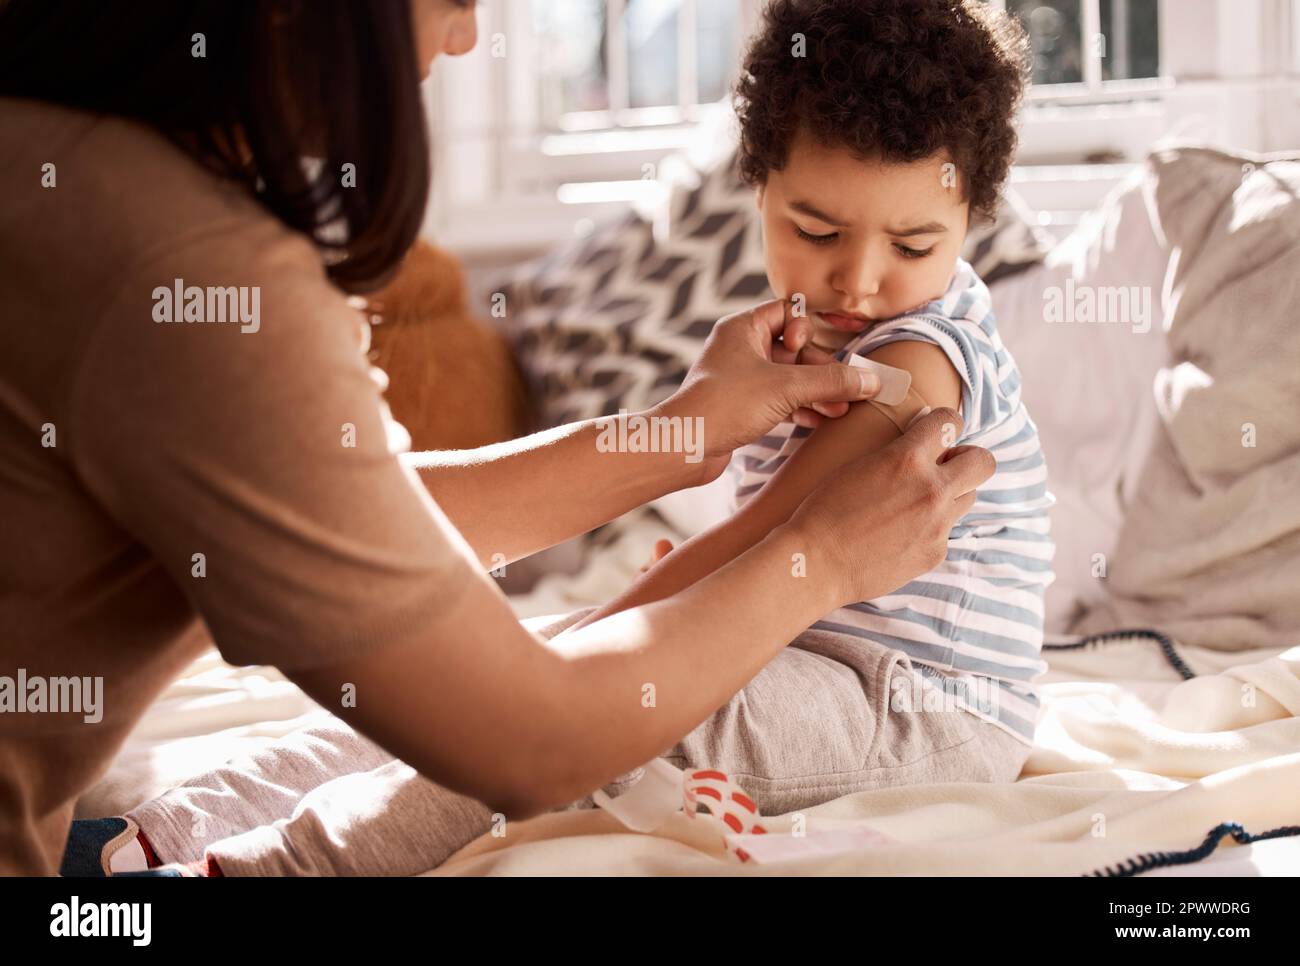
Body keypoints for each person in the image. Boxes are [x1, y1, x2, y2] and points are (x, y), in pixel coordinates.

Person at [0, 0, 994, 876]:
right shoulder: (188, 263)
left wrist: (675, 436)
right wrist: (817, 562)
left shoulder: (67, 169)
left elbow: (352, 513)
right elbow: (532, 742)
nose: (471, 34)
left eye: (911, 245)